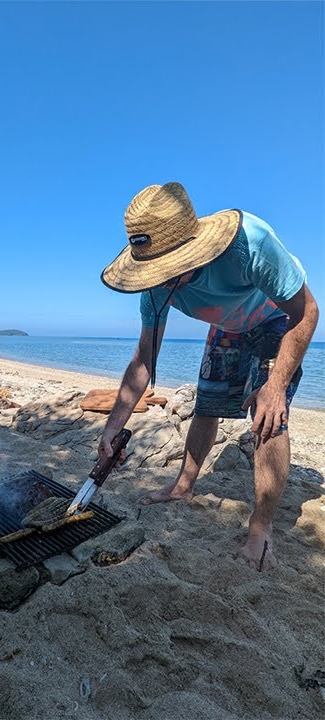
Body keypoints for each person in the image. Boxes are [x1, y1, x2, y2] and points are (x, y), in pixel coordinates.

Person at [98, 181, 318, 572]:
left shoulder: (249, 243)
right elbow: (143, 360)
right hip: (227, 328)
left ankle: (261, 526)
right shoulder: (154, 286)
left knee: (268, 419)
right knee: (207, 405)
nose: (161, 279)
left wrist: (276, 386)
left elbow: (307, 312)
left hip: (277, 320)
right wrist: (113, 426)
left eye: (168, 270)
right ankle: (183, 487)